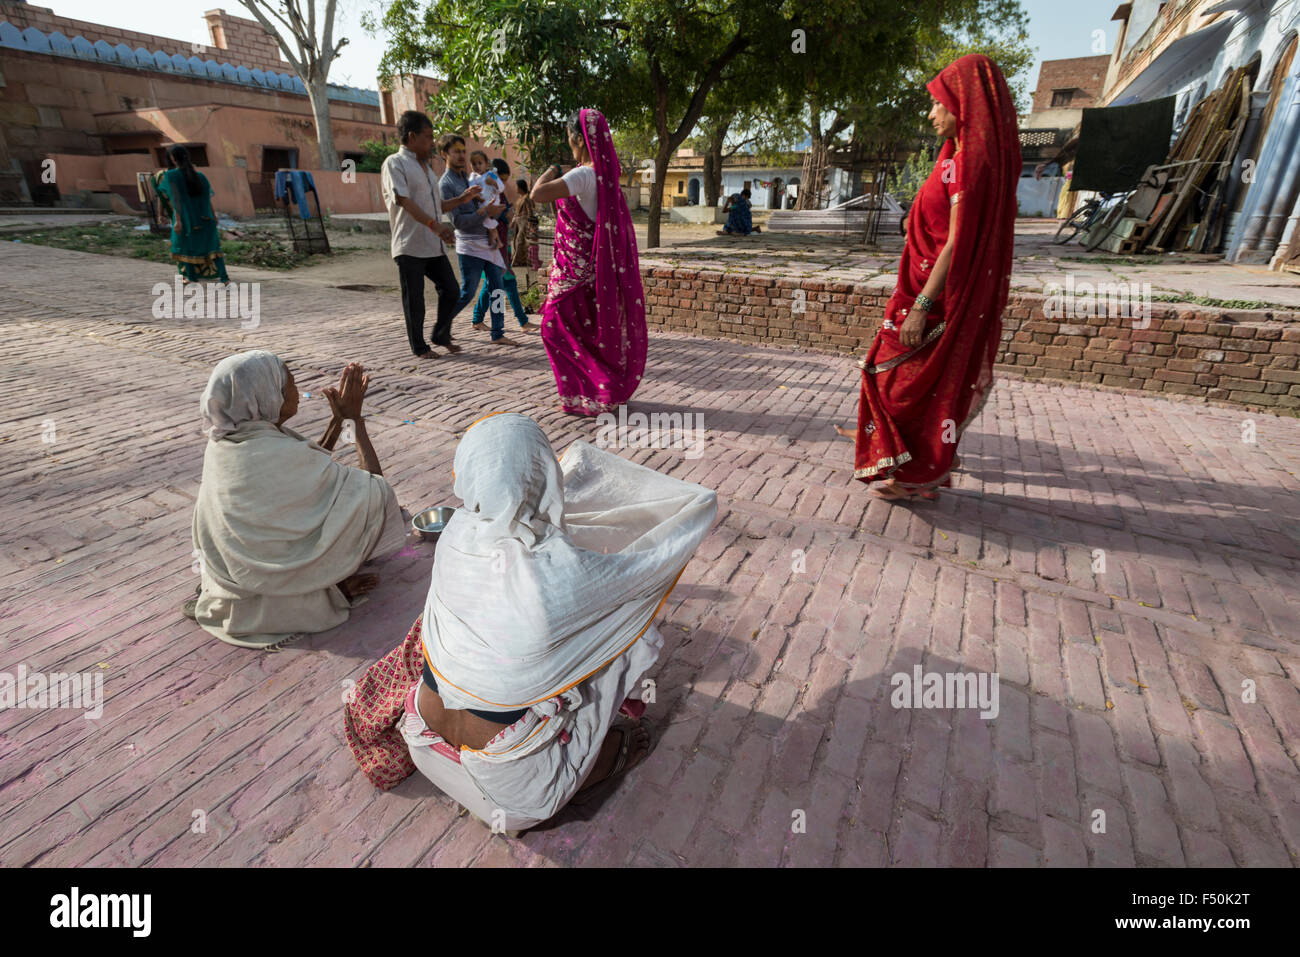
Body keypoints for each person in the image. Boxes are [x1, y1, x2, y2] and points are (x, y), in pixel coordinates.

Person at [343, 412, 718, 832]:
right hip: (522, 797)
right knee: (629, 634)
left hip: (421, 736)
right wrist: (695, 509)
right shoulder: (562, 570)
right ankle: (600, 759)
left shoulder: (455, 536)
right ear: (545, 475)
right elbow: (641, 568)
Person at [833, 53, 1020, 502]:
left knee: (893, 378)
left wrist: (920, 307)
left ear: (962, 105)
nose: (931, 112)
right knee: (906, 378)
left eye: (938, 102)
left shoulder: (970, 163)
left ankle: (912, 467)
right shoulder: (953, 157)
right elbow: (940, 220)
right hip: (916, 282)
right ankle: (904, 453)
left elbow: (956, 243)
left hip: (933, 294)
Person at [188, 352, 407, 649]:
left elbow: (307, 469)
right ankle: (320, 585)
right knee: (378, 499)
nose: (296, 392)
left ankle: (318, 582)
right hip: (272, 582)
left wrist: (338, 422)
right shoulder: (272, 451)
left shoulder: (228, 441)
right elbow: (375, 489)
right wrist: (355, 421)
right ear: (265, 396)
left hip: (238, 576)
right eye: (289, 385)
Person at [530, 108, 648, 416]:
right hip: (592, 271)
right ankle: (591, 394)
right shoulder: (605, 179)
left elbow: (537, 194)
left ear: (577, 139)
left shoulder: (582, 175)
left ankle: (599, 391)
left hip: (573, 273)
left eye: (569, 139)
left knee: (553, 328)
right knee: (581, 334)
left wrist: (553, 168)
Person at [381, 111, 482, 359]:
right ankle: (419, 346)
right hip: (409, 244)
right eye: (428, 137)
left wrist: (462, 199)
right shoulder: (395, 163)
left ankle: (440, 334)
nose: (431, 143)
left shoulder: (426, 169)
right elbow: (403, 200)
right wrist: (433, 225)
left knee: (451, 290)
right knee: (414, 300)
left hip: (431, 244)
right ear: (412, 137)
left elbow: (437, 206)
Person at [438, 135, 516, 346]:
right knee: (468, 292)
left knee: (497, 288)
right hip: (469, 244)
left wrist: (492, 213)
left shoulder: (468, 177)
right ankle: (443, 325)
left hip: (488, 240)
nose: (462, 155)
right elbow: (459, 222)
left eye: (464, 151)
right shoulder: (445, 184)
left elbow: (483, 202)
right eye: (456, 151)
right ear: (444, 154)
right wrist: (486, 212)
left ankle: (498, 332)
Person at [472, 159, 540, 334]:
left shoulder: (497, 192)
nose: (503, 183)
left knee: (498, 285)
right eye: (501, 178)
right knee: (500, 284)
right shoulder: (488, 194)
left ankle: (480, 320)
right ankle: (509, 325)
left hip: (502, 245)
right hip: (494, 248)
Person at [153, 145, 229, 283]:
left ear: (172, 159)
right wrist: (214, 216)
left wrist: (178, 220)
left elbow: (176, 199)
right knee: (213, 248)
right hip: (206, 218)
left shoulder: (171, 175)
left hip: (187, 218)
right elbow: (207, 199)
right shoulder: (200, 176)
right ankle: (225, 279)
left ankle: (191, 277)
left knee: (183, 246)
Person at [467, 150, 505, 246]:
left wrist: (494, 183)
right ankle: (496, 237)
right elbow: (471, 188)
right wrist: (477, 196)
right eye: (474, 164)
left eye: (480, 163)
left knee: (484, 215)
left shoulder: (491, 174)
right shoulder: (473, 176)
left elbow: (501, 187)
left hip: (493, 201)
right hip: (482, 202)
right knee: (482, 215)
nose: (477, 166)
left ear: (486, 164)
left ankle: (493, 234)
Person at [511, 176, 542, 273]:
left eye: (516, 186)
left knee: (520, 241)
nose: (515, 188)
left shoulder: (527, 197)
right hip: (518, 221)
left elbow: (530, 211)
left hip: (525, 221)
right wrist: (513, 220)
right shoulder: (520, 198)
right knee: (516, 240)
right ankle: (521, 260)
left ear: (520, 187)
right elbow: (516, 212)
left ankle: (516, 261)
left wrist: (530, 223)